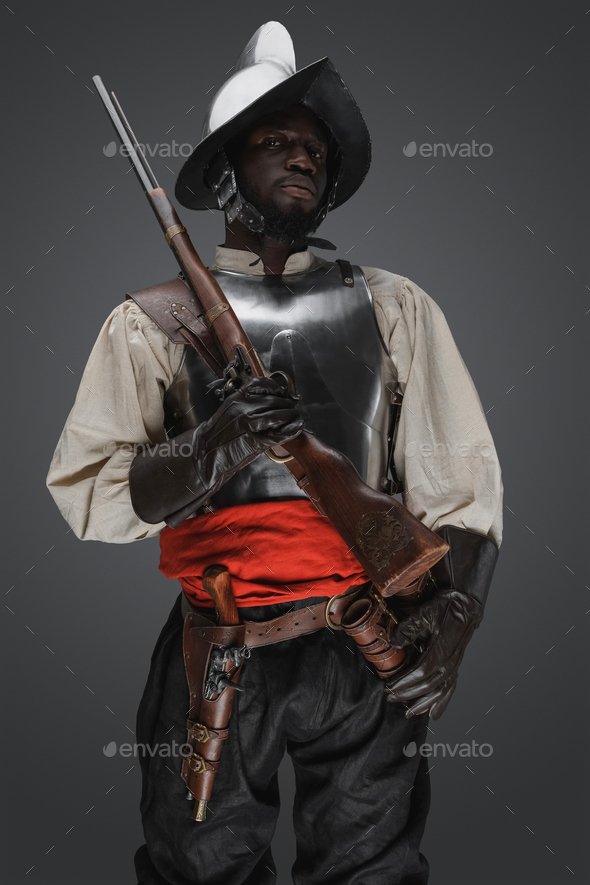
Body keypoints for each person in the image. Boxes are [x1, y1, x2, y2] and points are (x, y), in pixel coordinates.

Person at [46, 21, 502, 885]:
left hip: (371, 644)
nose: (305, 157)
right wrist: (216, 442)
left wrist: (458, 615)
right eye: (277, 140)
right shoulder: (152, 321)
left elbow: (463, 483)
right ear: (223, 172)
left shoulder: (396, 308)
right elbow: (91, 494)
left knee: (376, 869)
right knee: (198, 867)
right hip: (215, 648)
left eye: (315, 150)